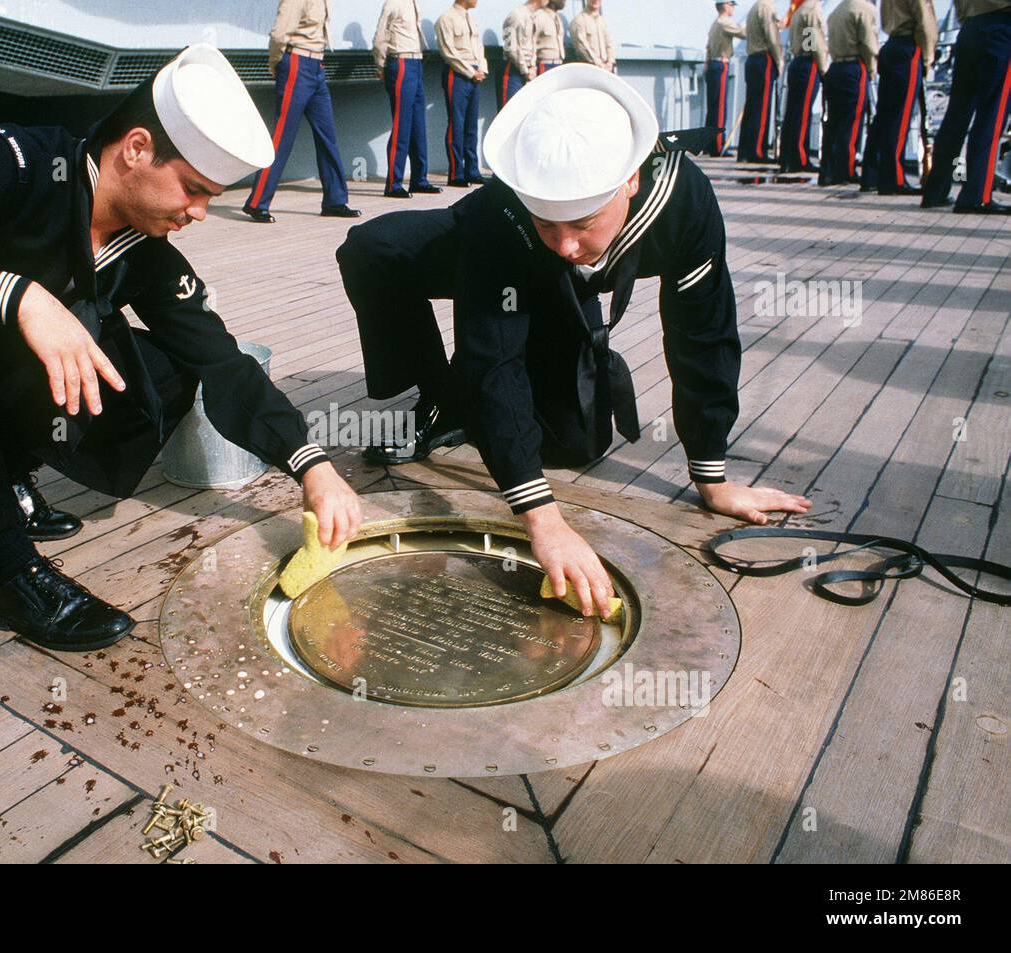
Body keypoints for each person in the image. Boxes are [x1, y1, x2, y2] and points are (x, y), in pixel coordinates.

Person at [0, 45, 363, 652]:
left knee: (163, 367)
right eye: (193, 189)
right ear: (136, 149)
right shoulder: (0, 162)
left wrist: (313, 467)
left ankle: (8, 480)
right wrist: (15, 296)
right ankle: (8, 570)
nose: (200, 213)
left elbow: (221, 359)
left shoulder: (143, 249)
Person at [336, 64, 811, 617]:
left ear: (630, 180)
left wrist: (713, 475)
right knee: (371, 249)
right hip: (498, 257)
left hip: (566, 291)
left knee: (574, 444)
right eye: (549, 224)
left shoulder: (685, 204)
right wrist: (542, 518)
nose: (565, 245)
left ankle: (498, 397)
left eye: (583, 221)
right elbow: (493, 357)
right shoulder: (506, 211)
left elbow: (703, 335)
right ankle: (442, 402)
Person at [243, 0, 361, 223]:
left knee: (328, 136)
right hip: (297, 63)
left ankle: (335, 201)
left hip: (317, 66)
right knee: (283, 136)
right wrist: (275, 63)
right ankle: (257, 202)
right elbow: (279, 34)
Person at [921, 0, 1011, 213]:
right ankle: (976, 196)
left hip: (970, 29)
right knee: (992, 115)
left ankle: (935, 191)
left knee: (957, 115)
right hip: (1002, 27)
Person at [862, 0, 938, 194]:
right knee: (901, 118)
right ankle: (893, 180)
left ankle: (872, 175)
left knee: (884, 117)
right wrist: (928, 58)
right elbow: (925, 22)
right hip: (908, 48)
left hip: (891, 46)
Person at [375, 0, 443, 197]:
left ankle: (419, 179)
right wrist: (381, 64)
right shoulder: (393, 4)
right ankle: (393, 184)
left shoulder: (413, 4)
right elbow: (380, 37)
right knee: (401, 125)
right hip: (401, 61)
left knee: (418, 125)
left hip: (416, 62)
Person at [820, 0, 879, 185]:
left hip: (835, 67)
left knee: (833, 124)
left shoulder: (836, 11)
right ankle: (845, 170)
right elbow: (869, 44)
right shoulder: (865, 9)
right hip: (854, 67)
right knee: (851, 123)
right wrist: (872, 69)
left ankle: (827, 171)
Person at [436, 0, 489, 187]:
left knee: (471, 125)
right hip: (458, 73)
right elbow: (448, 51)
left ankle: (472, 170)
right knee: (456, 124)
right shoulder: (446, 18)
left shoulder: (470, 19)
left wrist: (481, 68)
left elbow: (479, 48)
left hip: (475, 73)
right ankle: (455, 173)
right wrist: (470, 71)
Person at [780, 0, 829, 172]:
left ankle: (786, 157)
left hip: (797, 62)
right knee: (802, 114)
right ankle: (799, 158)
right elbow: (812, 42)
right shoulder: (812, 10)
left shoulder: (799, 10)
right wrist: (823, 69)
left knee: (793, 113)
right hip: (808, 63)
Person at [739, 0, 784, 162]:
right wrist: (779, 60)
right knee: (761, 108)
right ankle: (757, 151)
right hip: (765, 58)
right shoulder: (767, 7)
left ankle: (746, 150)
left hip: (754, 58)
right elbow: (772, 37)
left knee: (753, 107)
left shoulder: (755, 7)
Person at [706, 2, 748, 157]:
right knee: (720, 108)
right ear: (725, 6)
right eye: (732, 4)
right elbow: (743, 34)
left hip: (712, 65)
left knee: (712, 107)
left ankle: (709, 144)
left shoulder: (714, 24)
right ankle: (718, 146)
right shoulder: (725, 22)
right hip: (721, 64)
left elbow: (708, 47)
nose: (733, 8)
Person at [501, 0, 544, 107]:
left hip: (528, 71)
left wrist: (532, 67)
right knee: (510, 111)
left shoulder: (532, 17)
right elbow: (510, 48)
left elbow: (533, 45)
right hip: (513, 70)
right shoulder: (516, 15)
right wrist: (526, 70)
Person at [569, 0, 617, 72]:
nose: (595, 0)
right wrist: (599, 64)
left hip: (606, 68)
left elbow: (609, 43)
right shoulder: (579, 21)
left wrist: (610, 62)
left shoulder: (601, 21)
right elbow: (582, 47)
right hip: (589, 68)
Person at [534, 1, 569, 75]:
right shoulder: (539, 17)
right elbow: (530, 43)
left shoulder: (558, 18)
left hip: (558, 64)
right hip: (545, 65)